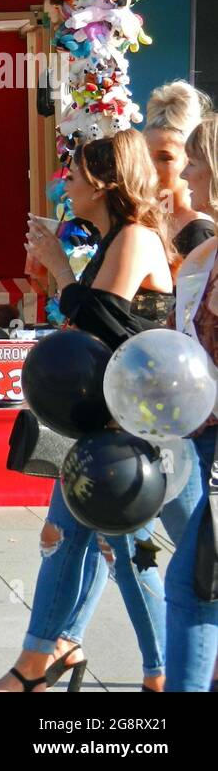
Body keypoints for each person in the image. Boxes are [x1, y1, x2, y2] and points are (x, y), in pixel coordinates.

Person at [0, 130, 176, 691]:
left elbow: (102, 320)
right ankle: (41, 658)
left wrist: (61, 269)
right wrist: (55, 266)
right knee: (63, 535)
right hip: (101, 420)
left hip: (129, 425)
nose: (65, 183)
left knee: (128, 549)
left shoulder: (136, 237)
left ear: (104, 182)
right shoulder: (111, 238)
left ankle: (161, 672)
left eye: (74, 175)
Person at [167, 112, 218, 691]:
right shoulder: (206, 252)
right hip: (202, 441)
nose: (190, 172)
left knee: (191, 583)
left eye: (197, 160)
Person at [145, 81, 214, 257]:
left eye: (164, 158)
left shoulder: (201, 233)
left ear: (189, 161)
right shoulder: (143, 218)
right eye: (145, 155)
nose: (150, 167)